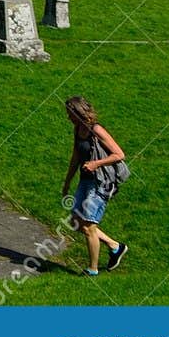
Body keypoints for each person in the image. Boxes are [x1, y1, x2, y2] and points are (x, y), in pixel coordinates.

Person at [61, 95, 130, 276]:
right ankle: (115, 246)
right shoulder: (77, 130)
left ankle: (92, 270)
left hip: (102, 182)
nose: (68, 117)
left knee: (89, 226)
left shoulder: (96, 129)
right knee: (76, 222)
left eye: (70, 114)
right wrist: (67, 182)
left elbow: (119, 154)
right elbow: (75, 157)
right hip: (85, 180)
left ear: (78, 112)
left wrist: (95, 164)